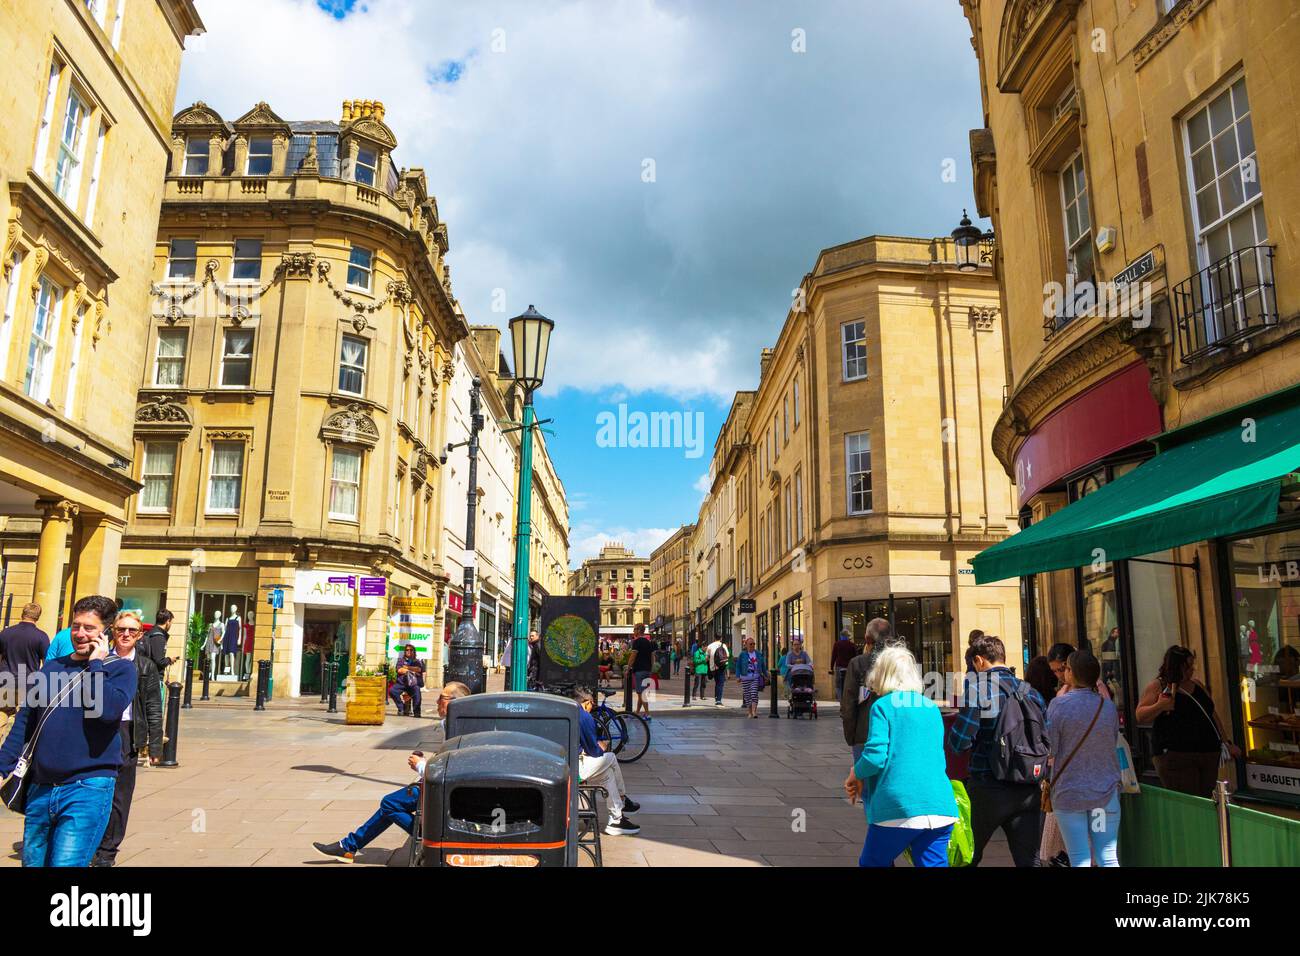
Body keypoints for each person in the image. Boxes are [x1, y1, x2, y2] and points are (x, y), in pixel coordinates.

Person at [0, 595, 136, 868]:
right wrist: (3, 764)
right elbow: (26, 721)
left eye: (89, 628)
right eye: (76, 626)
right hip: (42, 786)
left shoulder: (120, 669)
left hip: (88, 787)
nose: (80, 633)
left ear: (105, 632)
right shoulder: (53, 667)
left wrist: (96, 664)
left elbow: (107, 711)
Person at [314, 682, 471, 862]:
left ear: (455, 703)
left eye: (441, 698)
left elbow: (453, 768)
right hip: (438, 785)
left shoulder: (455, 728)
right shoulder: (453, 724)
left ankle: (425, 833)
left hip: (440, 789)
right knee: (389, 806)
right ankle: (348, 846)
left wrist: (422, 765)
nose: (436, 701)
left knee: (390, 804)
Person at [844, 645, 958, 867]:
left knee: (873, 863)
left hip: (900, 806)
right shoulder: (930, 707)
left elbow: (875, 756)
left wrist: (855, 773)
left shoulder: (883, 706)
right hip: (940, 804)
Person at [947, 633, 1047, 868]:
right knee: (1029, 860)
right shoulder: (1030, 691)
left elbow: (960, 741)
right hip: (1028, 785)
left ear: (980, 661)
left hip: (987, 784)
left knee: (967, 855)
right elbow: (1046, 734)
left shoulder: (980, 688)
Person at [91, 610, 164, 867]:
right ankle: (89, 844)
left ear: (139, 635)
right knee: (94, 793)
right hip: (96, 732)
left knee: (120, 797)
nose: (126, 634)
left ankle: (107, 852)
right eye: (121, 629)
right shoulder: (98, 659)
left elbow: (153, 706)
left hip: (127, 733)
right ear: (112, 630)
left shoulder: (145, 666)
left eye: (132, 631)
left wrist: (155, 744)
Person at [1045, 651, 1121, 867]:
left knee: (1079, 857)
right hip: (1104, 794)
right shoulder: (1107, 706)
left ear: (1072, 673)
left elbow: (1051, 748)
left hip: (1070, 794)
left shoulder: (1058, 705)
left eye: (1066, 668)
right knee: (1107, 855)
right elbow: (1111, 741)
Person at [1136, 645, 1238, 797]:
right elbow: (1140, 714)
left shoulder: (1197, 685)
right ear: (1176, 667)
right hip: (1177, 755)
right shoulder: (1160, 686)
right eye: (1187, 666)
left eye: (1192, 665)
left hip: (1207, 753)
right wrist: (1159, 706)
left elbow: (1212, 715)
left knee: (1205, 799)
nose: (1192, 669)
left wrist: (1226, 743)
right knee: (1189, 799)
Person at [575, 687, 641, 835]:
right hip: (574, 769)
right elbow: (594, 751)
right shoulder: (584, 717)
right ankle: (623, 799)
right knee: (610, 757)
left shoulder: (571, 712)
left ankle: (616, 820)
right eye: (592, 703)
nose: (593, 707)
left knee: (608, 775)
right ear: (586, 703)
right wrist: (602, 747)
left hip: (567, 765)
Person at [840, 618, 897, 764]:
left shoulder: (858, 663)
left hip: (865, 734)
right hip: (896, 734)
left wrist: (851, 736)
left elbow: (848, 704)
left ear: (867, 639)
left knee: (865, 783)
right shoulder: (902, 662)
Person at [0, 603, 49, 740]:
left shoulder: (6, 633)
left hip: (5, 680)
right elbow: (47, 663)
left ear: (22, 614)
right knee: (23, 722)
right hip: (28, 684)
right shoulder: (41, 636)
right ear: (37, 617)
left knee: (1, 716)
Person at [388, 644, 426, 717]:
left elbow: (418, 669)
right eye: (407, 650)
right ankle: (401, 708)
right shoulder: (401, 660)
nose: (409, 651)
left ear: (414, 652)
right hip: (402, 683)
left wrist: (406, 667)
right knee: (392, 691)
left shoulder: (417, 661)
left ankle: (416, 711)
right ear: (405, 651)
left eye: (411, 650)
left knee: (417, 691)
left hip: (413, 684)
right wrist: (412, 670)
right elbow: (399, 670)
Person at [734, 637, 767, 718]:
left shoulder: (758, 654)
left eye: (753, 644)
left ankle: (754, 712)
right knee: (747, 695)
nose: (752, 645)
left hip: (755, 677)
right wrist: (738, 676)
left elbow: (762, 665)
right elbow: (738, 666)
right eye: (750, 644)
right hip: (745, 677)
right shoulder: (742, 654)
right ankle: (749, 712)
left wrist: (766, 675)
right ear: (746, 645)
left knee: (754, 693)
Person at [629, 624, 655, 719]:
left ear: (639, 630)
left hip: (639, 670)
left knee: (641, 693)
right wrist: (651, 668)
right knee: (641, 693)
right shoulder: (649, 642)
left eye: (634, 629)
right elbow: (652, 657)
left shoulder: (637, 642)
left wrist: (628, 668)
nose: (633, 631)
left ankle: (647, 713)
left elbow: (633, 656)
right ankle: (637, 712)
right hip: (647, 670)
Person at [831, 627, 856, 700]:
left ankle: (841, 701)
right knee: (848, 683)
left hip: (839, 666)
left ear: (841, 636)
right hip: (849, 666)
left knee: (838, 684)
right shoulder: (851, 645)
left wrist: (831, 667)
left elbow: (833, 656)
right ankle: (847, 699)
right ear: (847, 636)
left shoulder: (837, 644)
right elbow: (855, 656)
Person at [706, 633, 730, 706]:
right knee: (720, 683)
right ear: (721, 638)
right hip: (721, 667)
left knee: (717, 683)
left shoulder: (710, 646)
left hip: (713, 667)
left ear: (714, 637)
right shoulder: (723, 645)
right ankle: (718, 700)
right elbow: (728, 655)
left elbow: (706, 658)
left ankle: (717, 698)